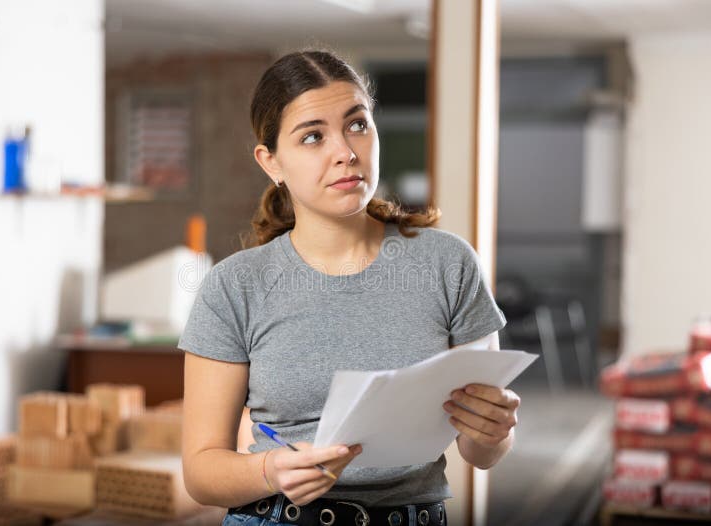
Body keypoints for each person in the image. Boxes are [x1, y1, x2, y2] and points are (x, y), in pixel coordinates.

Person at [179, 50, 520, 526]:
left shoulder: (448, 263)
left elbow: (482, 453)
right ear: (271, 162)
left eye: (358, 125)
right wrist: (270, 470)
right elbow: (200, 470)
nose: (346, 151)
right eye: (313, 136)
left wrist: (493, 430)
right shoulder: (234, 287)